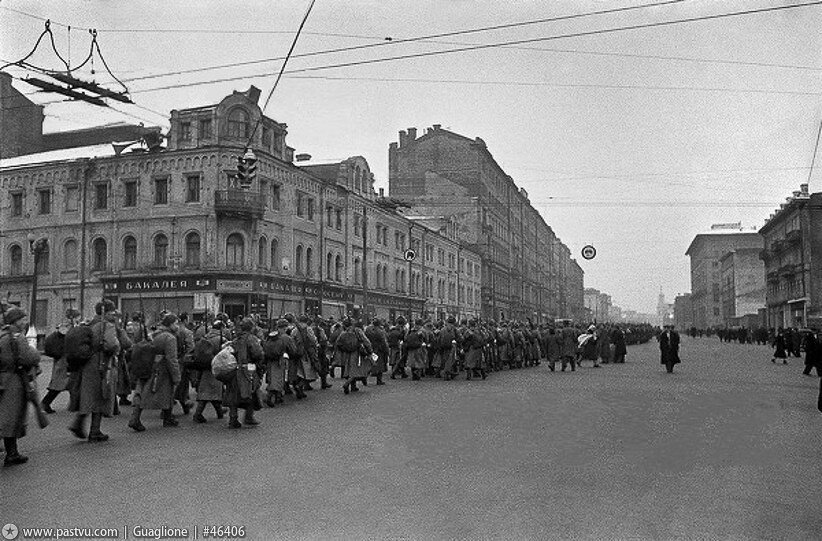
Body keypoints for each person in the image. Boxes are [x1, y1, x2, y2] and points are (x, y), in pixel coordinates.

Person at [67, 300, 122, 442]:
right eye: (112, 312)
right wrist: (117, 347)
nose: (114, 314)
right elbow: (111, 344)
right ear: (107, 312)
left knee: (89, 395)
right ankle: (94, 430)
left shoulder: (90, 324)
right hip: (101, 363)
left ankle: (81, 424)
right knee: (101, 395)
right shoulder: (107, 325)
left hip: (88, 363)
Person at [0, 308, 41, 467]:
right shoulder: (17, 337)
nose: (25, 322)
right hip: (14, 381)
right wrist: (35, 353)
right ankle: (12, 454)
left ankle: (12, 452)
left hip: (3, 378)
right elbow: (28, 357)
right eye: (22, 319)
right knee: (11, 417)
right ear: (15, 321)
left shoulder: (2, 335)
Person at [128, 313, 182, 431]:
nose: (178, 326)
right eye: (176, 323)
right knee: (165, 392)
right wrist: (176, 376)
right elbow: (171, 359)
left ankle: (137, 417)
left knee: (141, 391)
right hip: (161, 369)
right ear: (170, 324)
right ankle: (137, 419)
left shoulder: (154, 334)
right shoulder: (170, 338)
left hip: (147, 365)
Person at [223, 318, 264, 428]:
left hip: (234, 368)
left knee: (234, 394)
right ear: (251, 327)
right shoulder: (251, 339)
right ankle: (249, 416)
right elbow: (257, 353)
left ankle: (233, 418)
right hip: (248, 368)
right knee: (252, 391)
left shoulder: (235, 339)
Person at [192, 320, 228, 423]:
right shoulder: (222, 339)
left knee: (209, 392)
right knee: (210, 393)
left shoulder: (205, 338)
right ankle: (198, 414)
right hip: (216, 368)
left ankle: (219, 412)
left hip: (205, 368)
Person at [262, 319, 297, 406]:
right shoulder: (286, 338)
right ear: (285, 327)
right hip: (281, 360)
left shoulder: (271, 336)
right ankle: (273, 396)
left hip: (270, 361)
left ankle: (277, 395)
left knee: (272, 378)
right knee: (279, 378)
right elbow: (293, 350)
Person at [336, 318, 373, 394]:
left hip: (347, 353)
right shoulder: (357, 330)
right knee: (355, 370)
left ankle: (354, 386)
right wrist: (369, 350)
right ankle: (347, 384)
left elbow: (338, 342)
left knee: (350, 369)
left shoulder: (343, 332)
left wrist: (344, 349)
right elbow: (366, 340)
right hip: (357, 352)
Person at [41, 321, 71, 414]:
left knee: (65, 383)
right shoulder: (66, 327)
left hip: (61, 359)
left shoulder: (61, 327)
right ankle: (45, 403)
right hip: (64, 359)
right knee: (59, 384)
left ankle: (75, 404)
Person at [365, 318, 389, 386]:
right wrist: (387, 350)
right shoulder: (380, 331)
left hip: (371, 349)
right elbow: (384, 342)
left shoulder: (368, 330)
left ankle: (365, 378)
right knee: (380, 365)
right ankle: (379, 380)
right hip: (379, 350)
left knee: (370, 364)